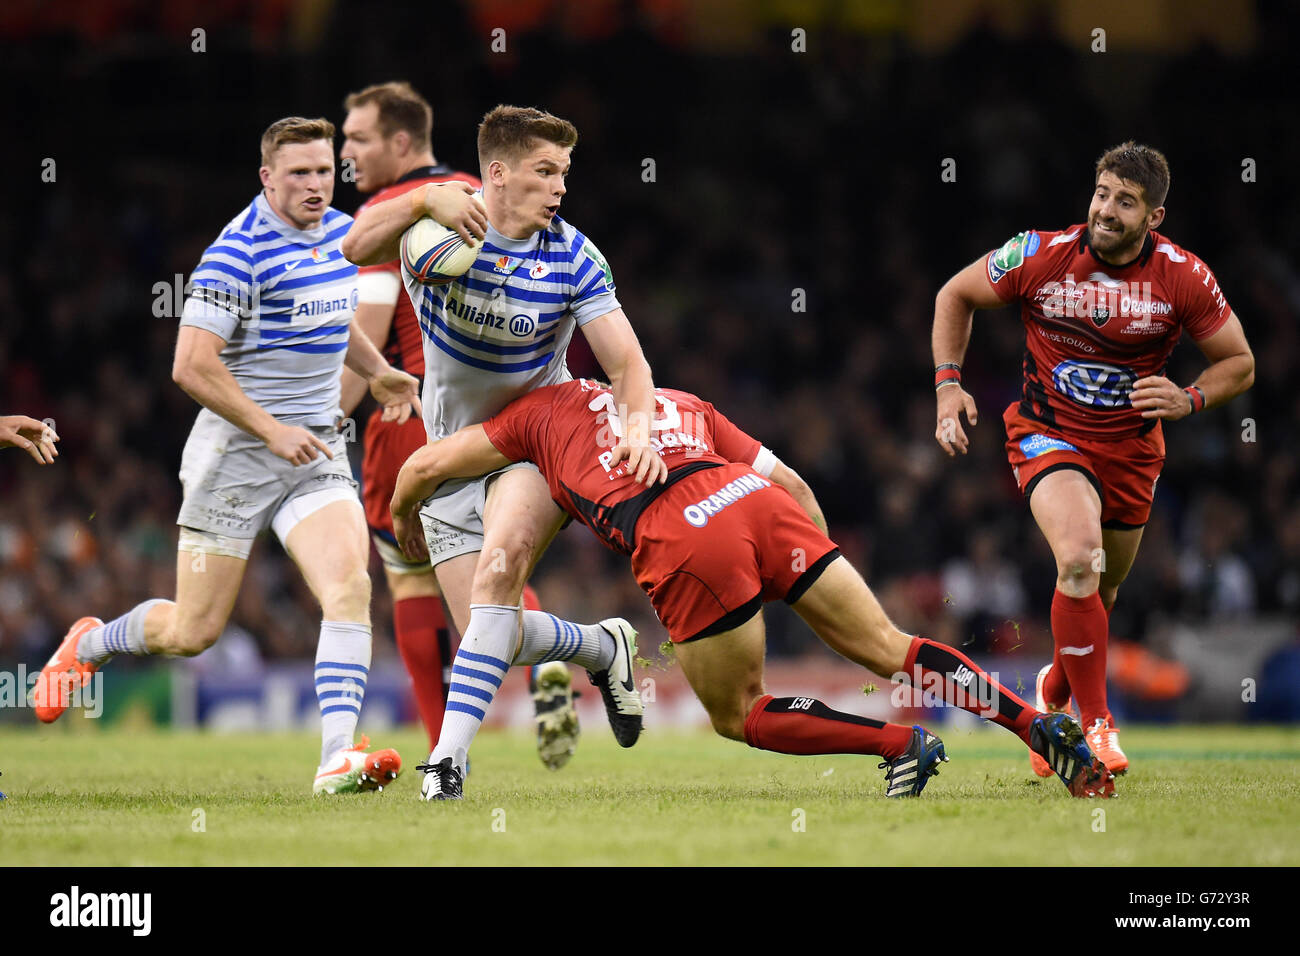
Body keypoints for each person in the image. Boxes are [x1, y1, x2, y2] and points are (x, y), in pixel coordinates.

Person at [391, 378, 1116, 801]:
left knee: (740, 713)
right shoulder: (678, 399)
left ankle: (902, 745)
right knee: (886, 645)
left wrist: (403, 523)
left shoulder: (531, 414)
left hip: (682, 536)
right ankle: (1037, 726)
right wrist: (808, 565)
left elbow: (426, 468)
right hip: (760, 506)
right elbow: (792, 484)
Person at [30, 116, 422, 796]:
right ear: (267, 177)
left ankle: (335, 759)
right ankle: (92, 641)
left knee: (349, 587)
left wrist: (375, 369)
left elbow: (332, 312)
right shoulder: (236, 254)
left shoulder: (339, 232)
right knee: (193, 631)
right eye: (298, 173)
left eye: (324, 171)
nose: (314, 185)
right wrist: (269, 428)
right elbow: (190, 366)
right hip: (235, 457)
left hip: (314, 451)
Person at [343, 105, 668, 788]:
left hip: (535, 436)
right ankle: (601, 646)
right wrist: (422, 196)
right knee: (495, 633)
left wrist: (636, 428)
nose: (559, 188)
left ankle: (446, 766)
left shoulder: (574, 254)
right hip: (455, 448)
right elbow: (353, 246)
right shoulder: (435, 228)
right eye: (545, 172)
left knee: (499, 573)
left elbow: (628, 367)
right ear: (497, 173)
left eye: (563, 174)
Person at [931, 142, 1255, 777]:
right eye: (1103, 193)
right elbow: (954, 295)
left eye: (1126, 202)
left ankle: (1054, 691)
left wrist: (1190, 398)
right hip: (1047, 434)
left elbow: (1240, 363)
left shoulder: (1184, 277)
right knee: (1078, 559)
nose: (1107, 210)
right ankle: (1095, 727)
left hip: (1132, 452)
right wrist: (948, 384)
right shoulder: (1039, 253)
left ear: (1153, 217)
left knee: (1097, 592)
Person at [338, 82, 576, 770]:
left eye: (358, 140)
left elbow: (373, 317)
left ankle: (447, 748)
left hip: (417, 414)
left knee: (412, 581)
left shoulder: (399, 210)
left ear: (401, 142)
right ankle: (546, 669)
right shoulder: (488, 188)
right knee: (496, 564)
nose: (345, 154)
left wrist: (332, 416)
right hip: (508, 421)